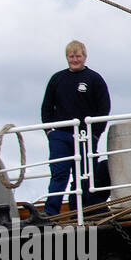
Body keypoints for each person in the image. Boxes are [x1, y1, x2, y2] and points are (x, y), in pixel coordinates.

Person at [39, 40, 111, 216]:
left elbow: (103, 108)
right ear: (67, 58)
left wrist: (95, 134)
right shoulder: (57, 79)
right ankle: (51, 212)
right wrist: (50, 132)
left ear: (84, 57)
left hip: (85, 135)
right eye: (71, 56)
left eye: (78, 56)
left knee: (85, 176)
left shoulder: (94, 79)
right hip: (61, 135)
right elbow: (46, 106)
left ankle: (82, 211)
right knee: (59, 175)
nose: (75, 59)